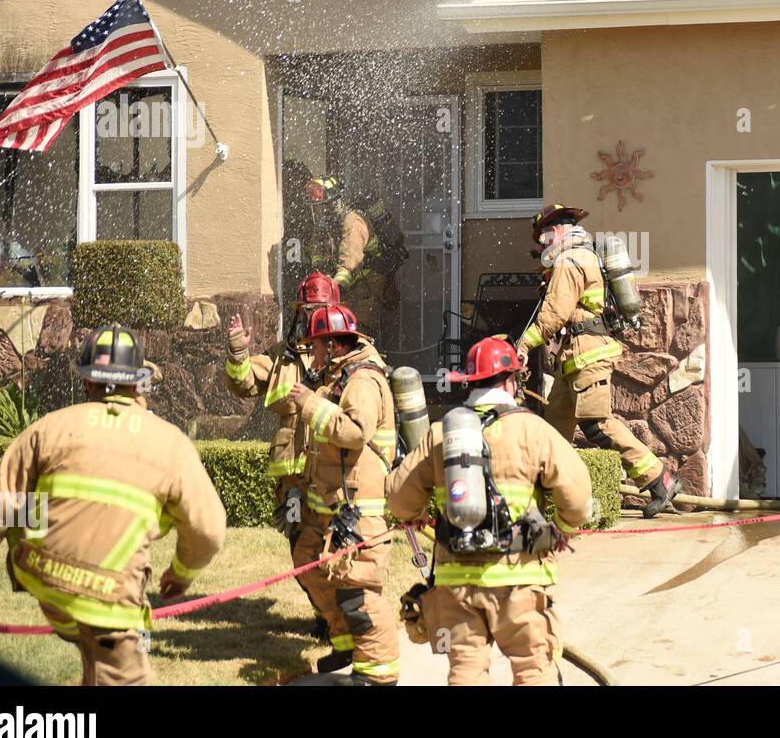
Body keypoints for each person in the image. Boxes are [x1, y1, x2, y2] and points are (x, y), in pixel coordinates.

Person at [0, 325, 226, 685]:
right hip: (109, 599)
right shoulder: (171, 445)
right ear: (138, 382)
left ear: (87, 382)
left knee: (95, 657)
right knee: (125, 670)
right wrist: (180, 575)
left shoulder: (48, 429)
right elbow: (210, 530)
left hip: (41, 577)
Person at [386, 336, 592, 685]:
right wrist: (560, 529)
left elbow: (398, 498)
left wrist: (417, 512)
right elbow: (578, 497)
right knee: (533, 670)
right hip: (518, 580)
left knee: (466, 673)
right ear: (511, 381)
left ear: (469, 383)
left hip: (456, 585)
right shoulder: (532, 430)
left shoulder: (440, 434)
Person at [517, 204, 681, 517]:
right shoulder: (580, 255)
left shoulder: (571, 259)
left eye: (545, 237)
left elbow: (554, 314)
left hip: (587, 356)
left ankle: (660, 479)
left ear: (559, 231)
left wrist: (523, 345)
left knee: (597, 426)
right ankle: (545, 499)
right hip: (573, 359)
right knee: (555, 431)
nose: (542, 246)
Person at [287, 303, 401, 684]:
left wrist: (310, 403)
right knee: (307, 562)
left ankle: (378, 673)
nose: (312, 354)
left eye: (316, 346)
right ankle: (345, 643)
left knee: (358, 593)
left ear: (334, 345)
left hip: (358, 513)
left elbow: (353, 431)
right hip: (329, 510)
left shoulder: (363, 381)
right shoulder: (337, 377)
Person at [224, 270, 338, 639]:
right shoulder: (281, 357)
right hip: (292, 477)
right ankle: (323, 615)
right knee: (298, 547)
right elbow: (244, 384)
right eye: (306, 309)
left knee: (333, 546)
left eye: (318, 309)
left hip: (331, 473)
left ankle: (340, 617)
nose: (310, 316)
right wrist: (238, 351)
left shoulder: (348, 356)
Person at [305, 175, 407, 343]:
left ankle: (365, 366)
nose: (318, 212)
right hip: (350, 291)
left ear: (332, 204)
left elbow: (349, 264)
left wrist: (333, 290)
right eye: (315, 208)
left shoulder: (353, 222)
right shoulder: (325, 227)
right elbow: (317, 254)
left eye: (321, 207)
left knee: (358, 337)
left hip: (367, 288)